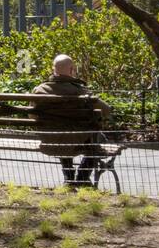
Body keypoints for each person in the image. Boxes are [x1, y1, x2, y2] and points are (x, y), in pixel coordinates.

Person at [31, 54, 112, 188]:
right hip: (77, 140)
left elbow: (33, 116)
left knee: (62, 133)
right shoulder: (80, 91)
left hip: (50, 139)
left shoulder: (39, 90)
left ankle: (68, 178)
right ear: (71, 70)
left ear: (53, 69)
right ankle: (83, 177)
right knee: (96, 138)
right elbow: (106, 110)